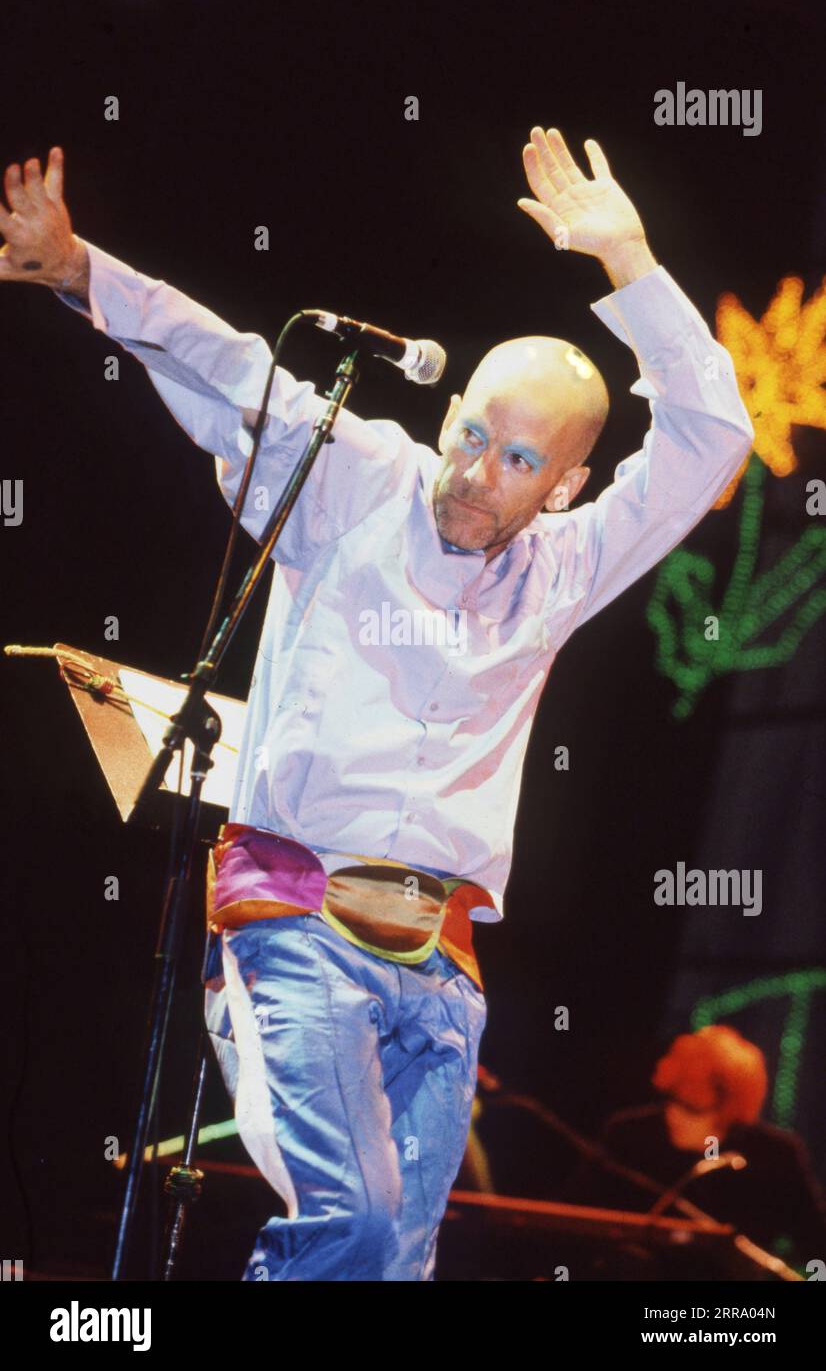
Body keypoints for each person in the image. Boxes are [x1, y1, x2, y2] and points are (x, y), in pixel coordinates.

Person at [1, 127, 754, 1280]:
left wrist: (632, 266)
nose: (471, 471)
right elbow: (233, 367)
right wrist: (81, 271)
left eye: (514, 460)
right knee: (346, 1226)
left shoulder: (568, 564)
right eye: (469, 435)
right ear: (446, 414)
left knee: (394, 1267)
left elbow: (711, 440)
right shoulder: (357, 479)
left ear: (566, 485)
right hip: (293, 921)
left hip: (441, 964)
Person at [564, 1026, 826, 1274]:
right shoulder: (629, 1134)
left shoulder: (773, 1154)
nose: (681, 1117)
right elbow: (573, 1220)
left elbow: (813, 1238)